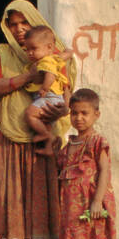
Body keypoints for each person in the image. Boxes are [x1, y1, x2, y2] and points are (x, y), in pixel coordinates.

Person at [0, 0, 75, 239]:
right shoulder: (2, 52)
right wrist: (28, 76)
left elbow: (67, 87)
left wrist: (61, 111)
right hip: (13, 133)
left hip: (45, 134)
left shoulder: (54, 52)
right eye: (12, 24)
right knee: (16, 196)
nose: (18, 29)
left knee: (48, 196)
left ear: (34, 19)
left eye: (23, 22)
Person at [57, 89, 115, 239]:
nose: (78, 118)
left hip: (92, 204)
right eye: (74, 113)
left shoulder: (98, 141)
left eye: (84, 113)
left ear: (96, 115)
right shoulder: (70, 144)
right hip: (73, 206)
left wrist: (97, 201)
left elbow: (104, 171)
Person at [20, 25, 71, 153]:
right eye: (27, 50)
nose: (29, 53)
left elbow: (50, 75)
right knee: (47, 125)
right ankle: (49, 146)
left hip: (49, 96)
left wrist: (44, 87)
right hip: (55, 100)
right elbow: (64, 56)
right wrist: (69, 52)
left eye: (34, 49)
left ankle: (45, 135)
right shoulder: (54, 59)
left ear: (49, 47)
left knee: (29, 114)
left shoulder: (45, 62)